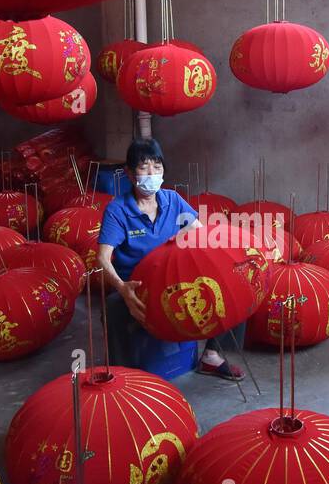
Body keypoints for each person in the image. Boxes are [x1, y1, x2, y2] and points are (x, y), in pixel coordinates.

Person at [97, 138, 245, 379]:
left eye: (157, 167)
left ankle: (211, 356)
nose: (152, 173)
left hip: (175, 282)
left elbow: (201, 233)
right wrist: (123, 289)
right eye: (144, 167)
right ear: (130, 174)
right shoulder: (118, 210)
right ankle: (125, 376)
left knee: (234, 284)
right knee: (113, 307)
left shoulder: (172, 200)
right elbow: (102, 258)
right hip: (138, 288)